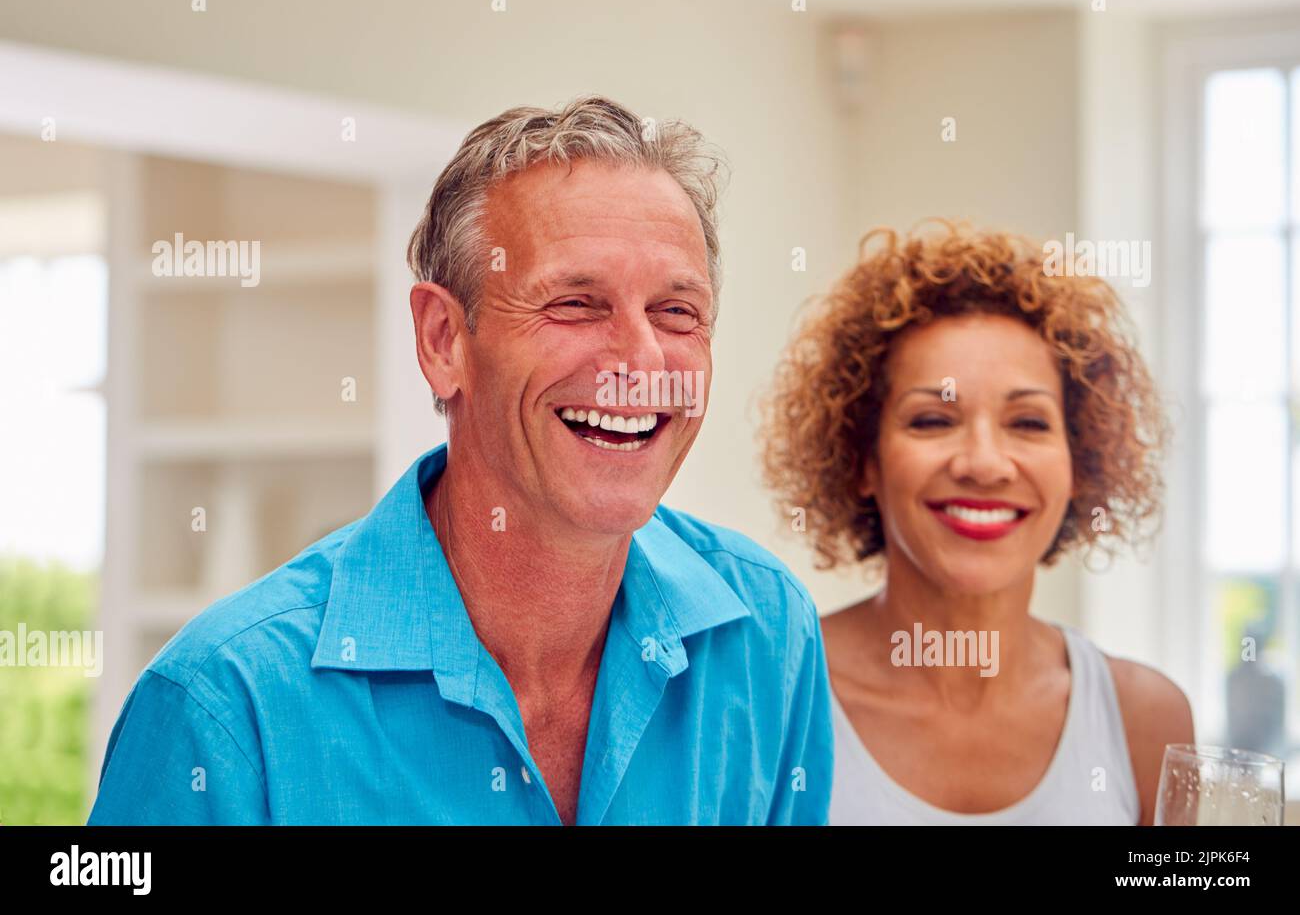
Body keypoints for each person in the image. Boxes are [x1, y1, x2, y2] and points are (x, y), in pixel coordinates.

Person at [88, 95, 832, 825]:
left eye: (677, 313)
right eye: (576, 303)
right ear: (444, 340)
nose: (641, 361)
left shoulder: (765, 637)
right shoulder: (226, 706)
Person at [760, 220, 1193, 824]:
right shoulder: (772, 695)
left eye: (1029, 423)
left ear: (1081, 463)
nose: (985, 464)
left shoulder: (1146, 719)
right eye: (933, 422)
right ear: (864, 461)